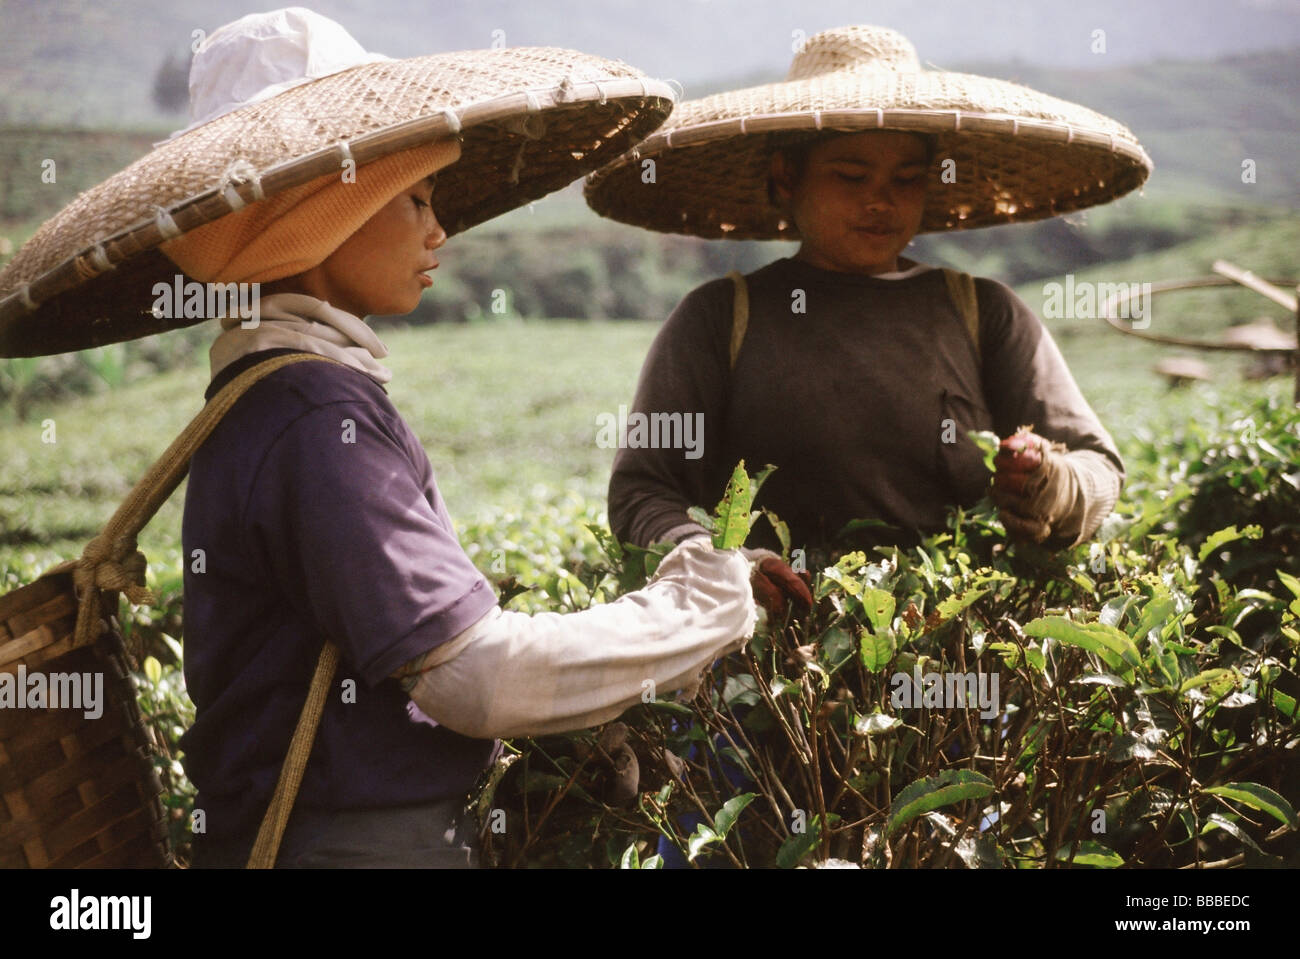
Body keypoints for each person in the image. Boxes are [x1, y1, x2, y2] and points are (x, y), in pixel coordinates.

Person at [0, 8, 755, 868]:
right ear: (323, 214)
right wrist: (701, 605)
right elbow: (477, 677)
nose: (439, 232)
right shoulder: (318, 419)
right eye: (416, 200)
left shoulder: (268, 394)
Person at [586, 25, 1150, 612]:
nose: (880, 201)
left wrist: (1049, 484)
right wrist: (721, 565)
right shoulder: (719, 318)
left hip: (963, 646)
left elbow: (1098, 468)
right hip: (773, 668)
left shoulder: (983, 312)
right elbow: (642, 491)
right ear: (786, 177)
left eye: (906, 179)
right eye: (851, 177)